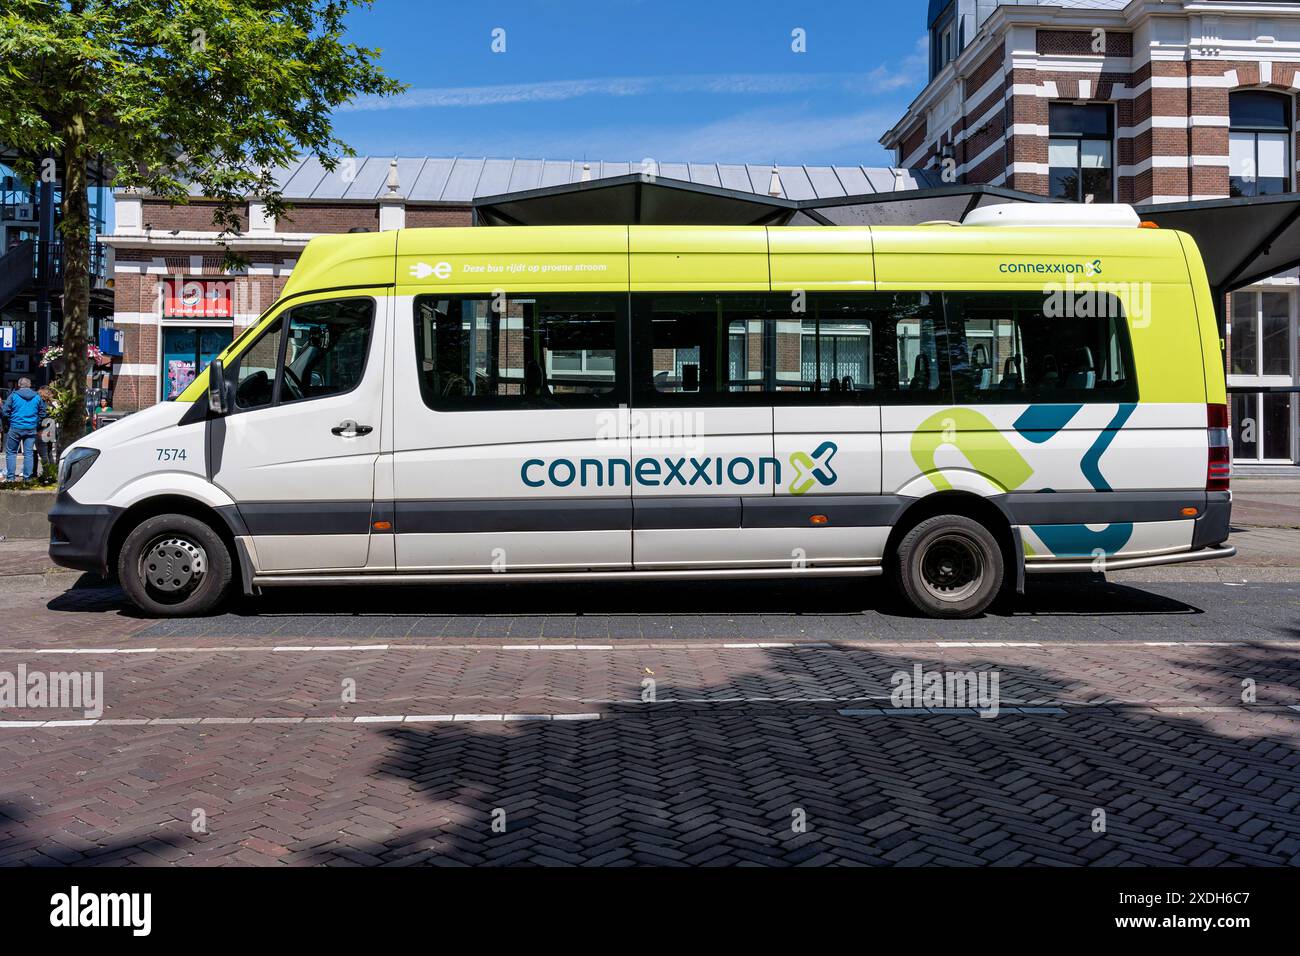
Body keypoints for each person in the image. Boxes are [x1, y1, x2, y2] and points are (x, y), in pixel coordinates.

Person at [3, 377, 48, 482]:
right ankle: (27, 478)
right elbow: (43, 413)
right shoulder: (37, 397)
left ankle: (10, 478)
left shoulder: (13, 396)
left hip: (15, 427)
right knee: (28, 453)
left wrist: (8, 423)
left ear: (19, 385)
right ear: (30, 385)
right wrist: (36, 423)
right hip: (31, 428)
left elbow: (5, 411)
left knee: (11, 453)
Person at [34, 388, 57, 480]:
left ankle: (47, 474)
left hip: (42, 431)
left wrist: (37, 428)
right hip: (50, 431)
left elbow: (40, 418)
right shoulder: (51, 405)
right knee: (49, 453)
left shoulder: (41, 404)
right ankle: (53, 474)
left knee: (43, 455)